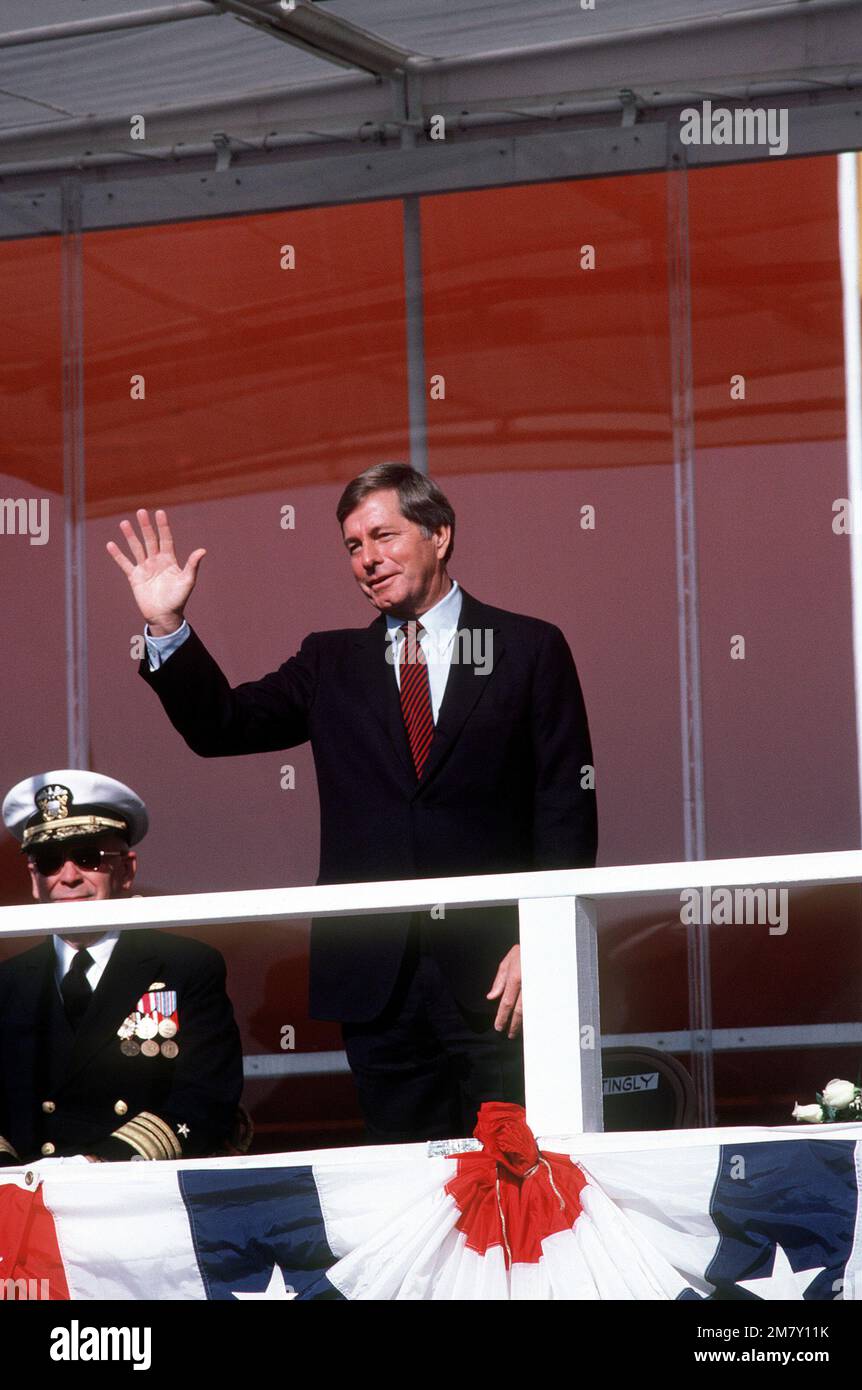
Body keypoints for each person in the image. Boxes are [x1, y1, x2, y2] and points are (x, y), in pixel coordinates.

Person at [108, 464, 597, 1142]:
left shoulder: (527, 647)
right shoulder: (330, 662)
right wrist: (166, 623)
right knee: (405, 1185)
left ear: (439, 534)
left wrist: (538, 939)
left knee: (519, 1168)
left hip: (496, 974)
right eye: (352, 546)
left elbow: (564, 805)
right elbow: (220, 727)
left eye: (383, 536)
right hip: (375, 977)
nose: (368, 559)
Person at [0, 770, 243, 1166]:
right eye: (48, 862)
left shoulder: (187, 967)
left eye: (87, 858)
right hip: (29, 1198)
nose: (68, 877)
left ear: (127, 871)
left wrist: (101, 1166)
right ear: (34, 880)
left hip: (134, 1189)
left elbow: (206, 1097)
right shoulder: (6, 984)